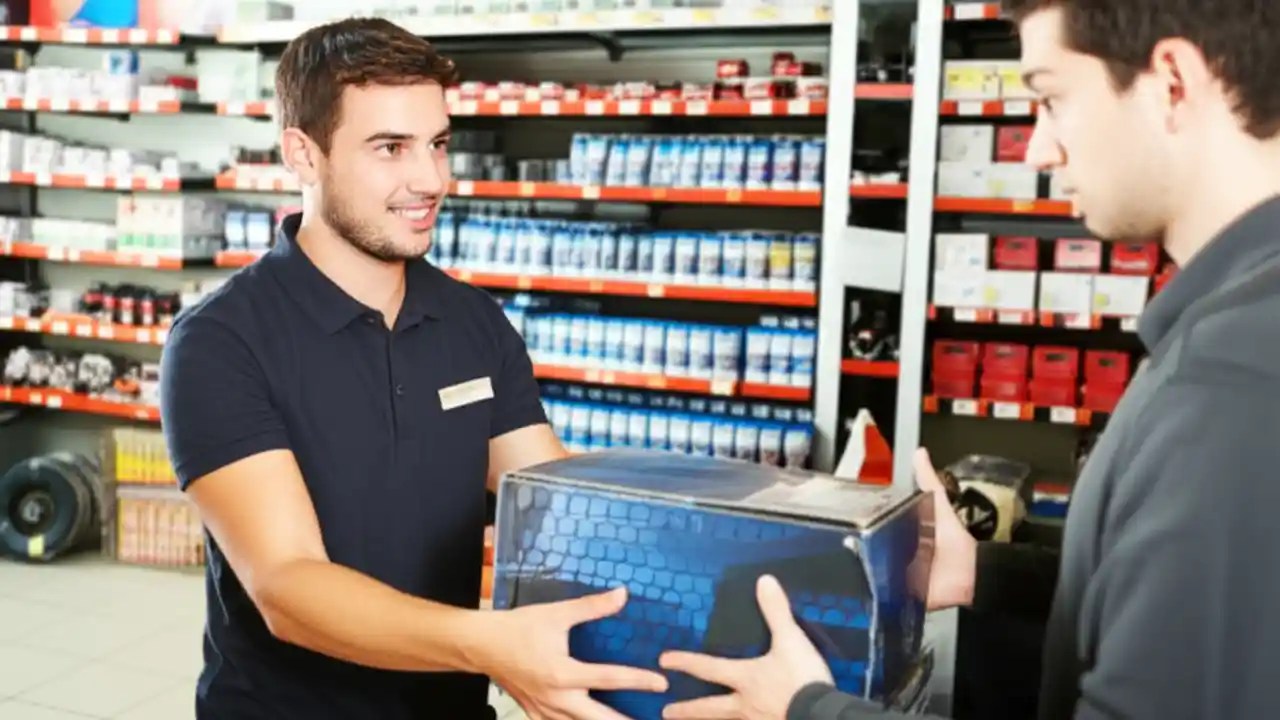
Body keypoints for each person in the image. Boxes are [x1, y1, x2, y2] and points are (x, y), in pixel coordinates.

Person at [658, 1, 1280, 718]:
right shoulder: (1233, 333)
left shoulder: (1232, 387)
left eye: (1052, 98)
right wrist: (986, 574)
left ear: (1171, 80)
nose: (1037, 149)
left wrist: (804, 709)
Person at [159, 18, 666, 720]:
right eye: (390, 148)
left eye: (437, 144)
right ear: (303, 155)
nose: (429, 179)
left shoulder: (474, 323)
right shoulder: (220, 343)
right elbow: (287, 587)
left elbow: (555, 502)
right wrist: (490, 644)